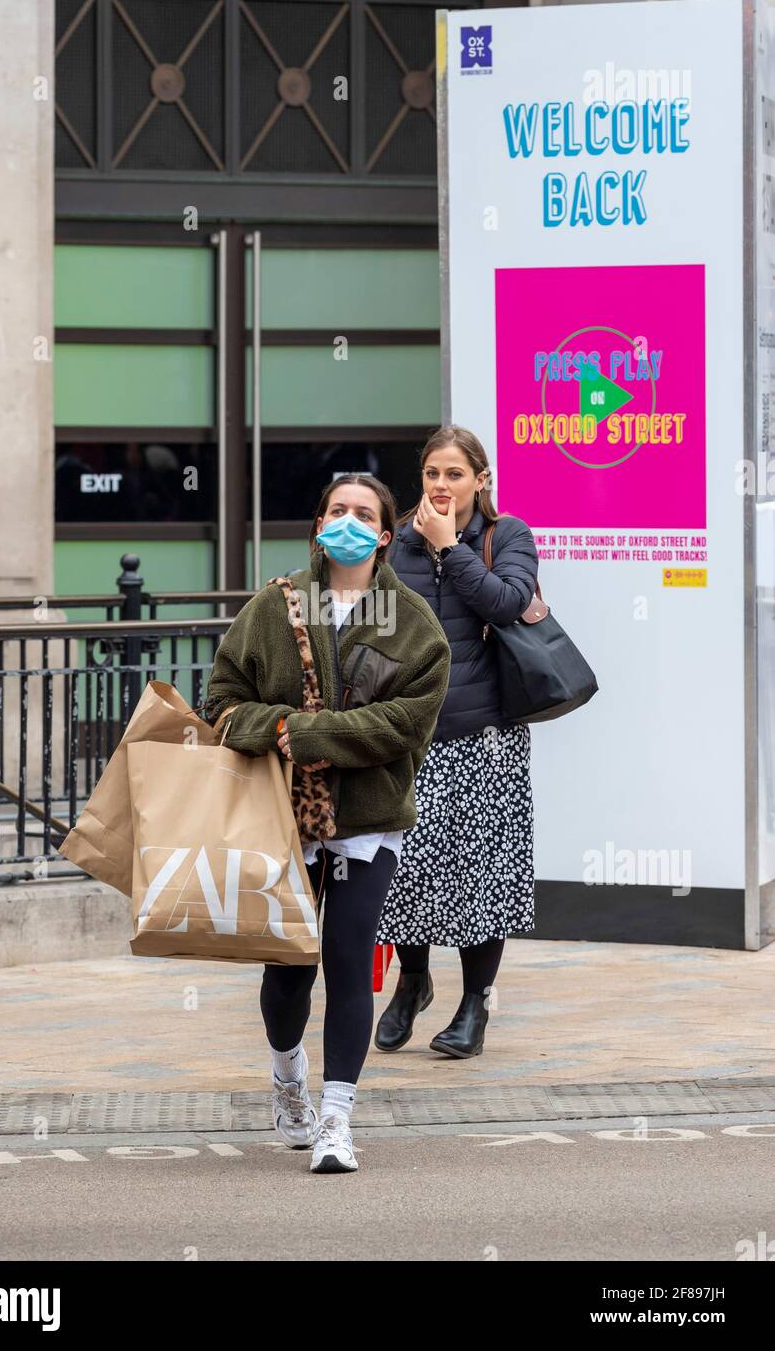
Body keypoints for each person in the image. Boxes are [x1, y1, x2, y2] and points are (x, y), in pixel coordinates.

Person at [205, 474, 450, 1174]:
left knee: (349, 959)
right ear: (318, 525)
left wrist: (314, 734)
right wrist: (275, 726)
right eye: (336, 509)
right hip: (281, 821)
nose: (347, 520)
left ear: (384, 533)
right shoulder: (272, 609)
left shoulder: (414, 626)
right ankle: (288, 1076)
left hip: (369, 821)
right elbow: (220, 702)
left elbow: (406, 725)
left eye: (363, 513)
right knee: (287, 970)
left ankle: (337, 1117)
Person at [375, 427, 539, 1059]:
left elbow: (506, 603)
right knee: (404, 871)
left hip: (486, 737)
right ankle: (412, 980)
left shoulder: (508, 536)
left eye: (454, 474)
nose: (441, 486)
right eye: (431, 475)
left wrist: (451, 548)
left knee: (482, 878)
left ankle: (475, 1003)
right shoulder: (398, 544)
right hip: (410, 736)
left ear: (481, 480)